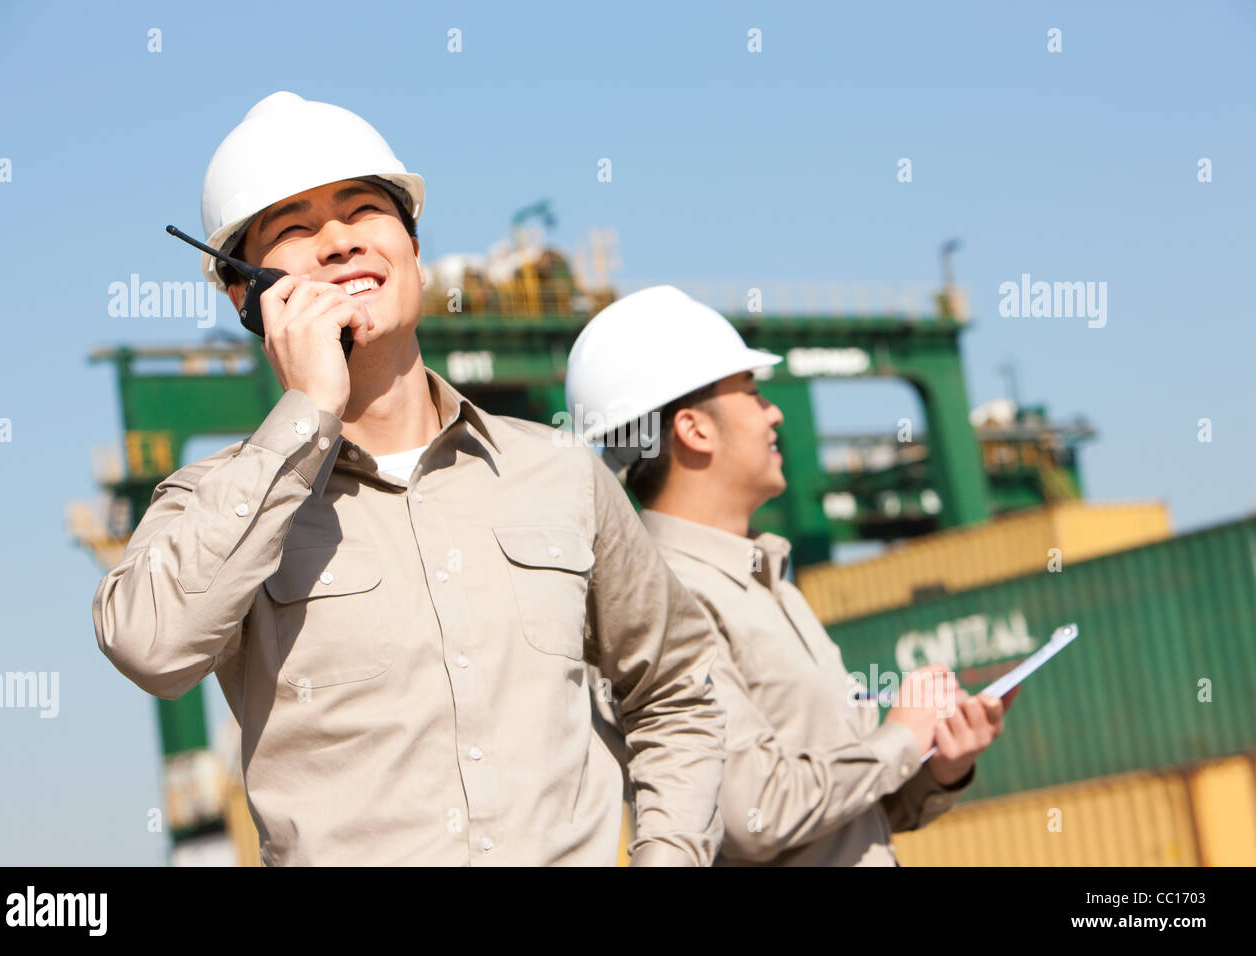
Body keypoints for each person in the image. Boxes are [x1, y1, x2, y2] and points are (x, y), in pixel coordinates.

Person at [92, 94, 726, 866]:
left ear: (415, 248)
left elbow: (676, 688)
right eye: (293, 228)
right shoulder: (215, 501)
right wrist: (307, 411)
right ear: (244, 294)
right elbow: (152, 648)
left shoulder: (559, 473)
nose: (339, 241)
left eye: (363, 209)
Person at [565, 285, 1016, 866]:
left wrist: (939, 763)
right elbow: (752, 813)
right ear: (695, 430)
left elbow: (848, 817)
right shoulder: (663, 600)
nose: (775, 412)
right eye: (753, 393)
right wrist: (902, 736)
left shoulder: (768, 580)